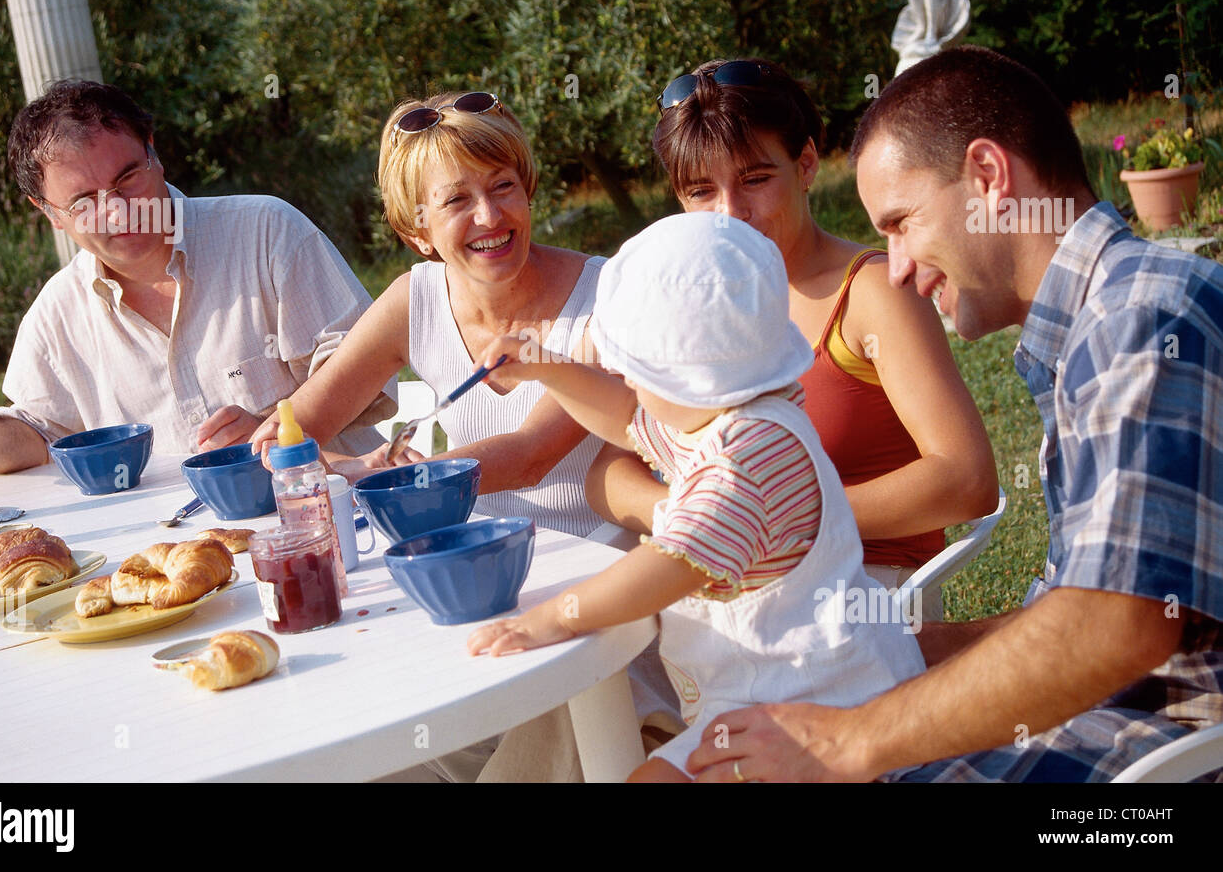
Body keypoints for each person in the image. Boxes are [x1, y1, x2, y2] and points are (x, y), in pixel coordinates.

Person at [686, 46, 1223, 783]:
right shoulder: (1100, 324)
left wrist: (851, 740)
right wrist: (916, 649)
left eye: (902, 222)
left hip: (1166, 752)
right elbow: (1104, 608)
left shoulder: (1140, 315)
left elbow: (1120, 626)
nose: (897, 263)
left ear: (989, 177)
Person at [467, 213, 925, 781]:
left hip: (824, 716)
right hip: (759, 702)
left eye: (635, 369)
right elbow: (627, 416)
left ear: (688, 379)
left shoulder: (746, 459)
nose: (626, 380)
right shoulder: (730, 413)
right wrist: (548, 369)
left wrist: (558, 616)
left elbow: (669, 564)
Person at [587, 58, 998, 618]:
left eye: (755, 180)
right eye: (701, 191)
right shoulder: (693, 297)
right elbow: (607, 471)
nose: (730, 214)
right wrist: (707, 520)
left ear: (805, 163)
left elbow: (966, 480)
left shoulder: (872, 292)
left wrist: (779, 517)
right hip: (727, 575)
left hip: (860, 594)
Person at [0, 80, 394, 471]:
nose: (117, 212)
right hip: (168, 559)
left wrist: (283, 431)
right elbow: (40, 434)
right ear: (49, 213)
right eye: (83, 201)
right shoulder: (57, 313)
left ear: (154, 152)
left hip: (329, 521)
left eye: (127, 178)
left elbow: (368, 363)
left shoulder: (265, 231)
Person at [249, 90, 605, 539]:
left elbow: (530, 456)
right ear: (418, 233)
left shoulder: (606, 294)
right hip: (469, 553)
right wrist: (348, 465)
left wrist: (393, 481)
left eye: (502, 186)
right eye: (457, 200)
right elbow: (289, 433)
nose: (490, 216)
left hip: (605, 565)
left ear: (527, 188)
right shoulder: (414, 300)